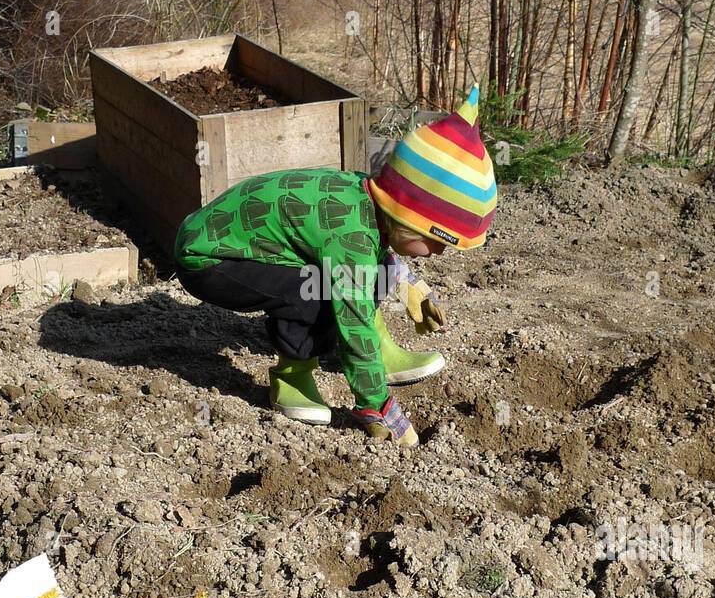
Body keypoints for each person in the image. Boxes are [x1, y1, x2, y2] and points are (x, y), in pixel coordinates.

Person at [174, 86, 497, 447]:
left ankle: (382, 353)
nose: (439, 252)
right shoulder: (351, 240)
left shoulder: (366, 195)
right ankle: (292, 375)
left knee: (363, 276)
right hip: (210, 258)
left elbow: (377, 254)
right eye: (438, 240)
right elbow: (353, 321)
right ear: (407, 217)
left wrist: (407, 287)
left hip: (241, 241)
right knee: (314, 291)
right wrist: (377, 406)